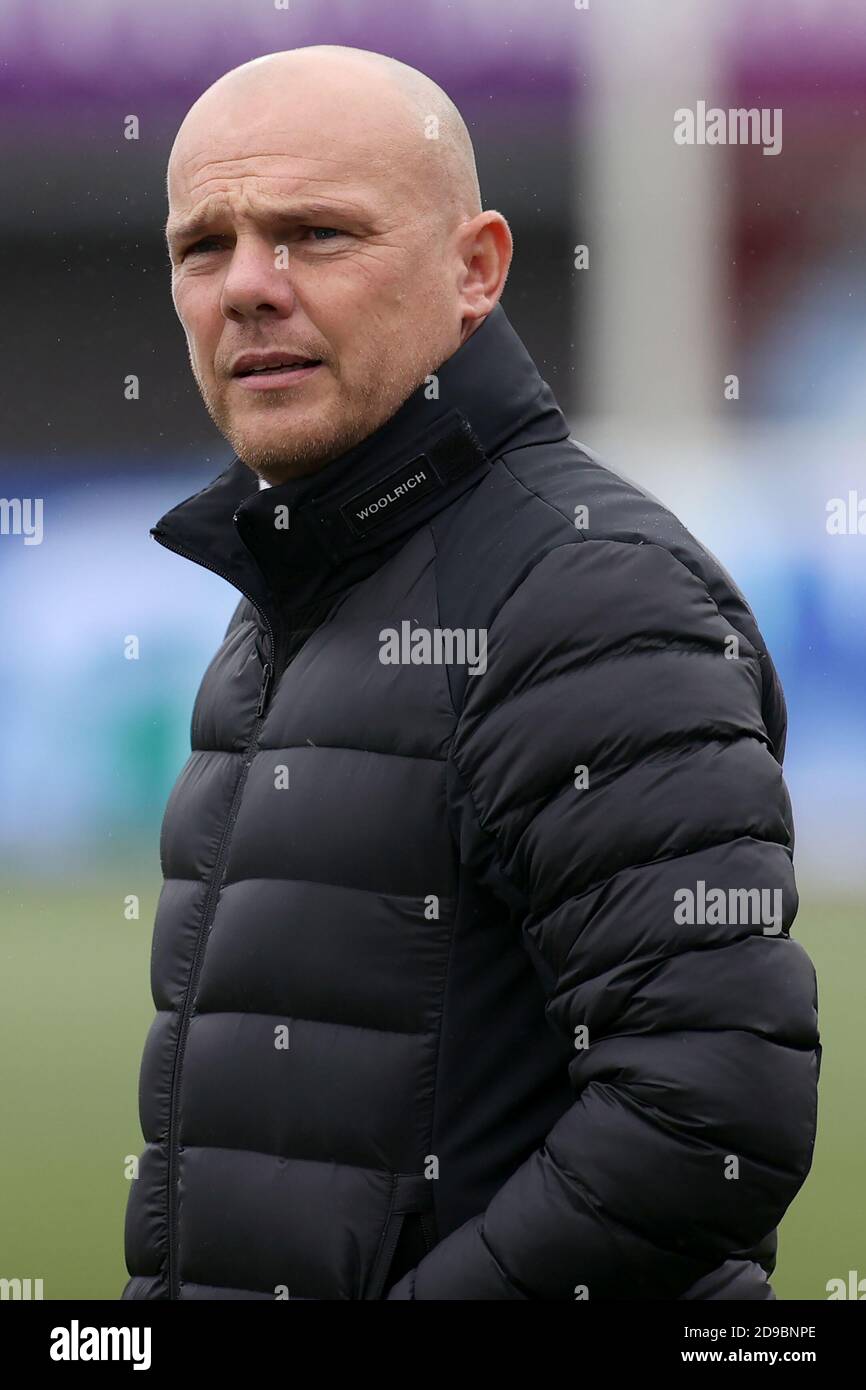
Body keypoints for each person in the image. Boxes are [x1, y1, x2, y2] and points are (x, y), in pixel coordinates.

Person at [121, 44, 819, 1300]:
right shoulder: (295, 588)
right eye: (200, 246)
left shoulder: (584, 593)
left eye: (314, 234)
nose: (245, 289)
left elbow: (707, 1115)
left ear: (475, 270)